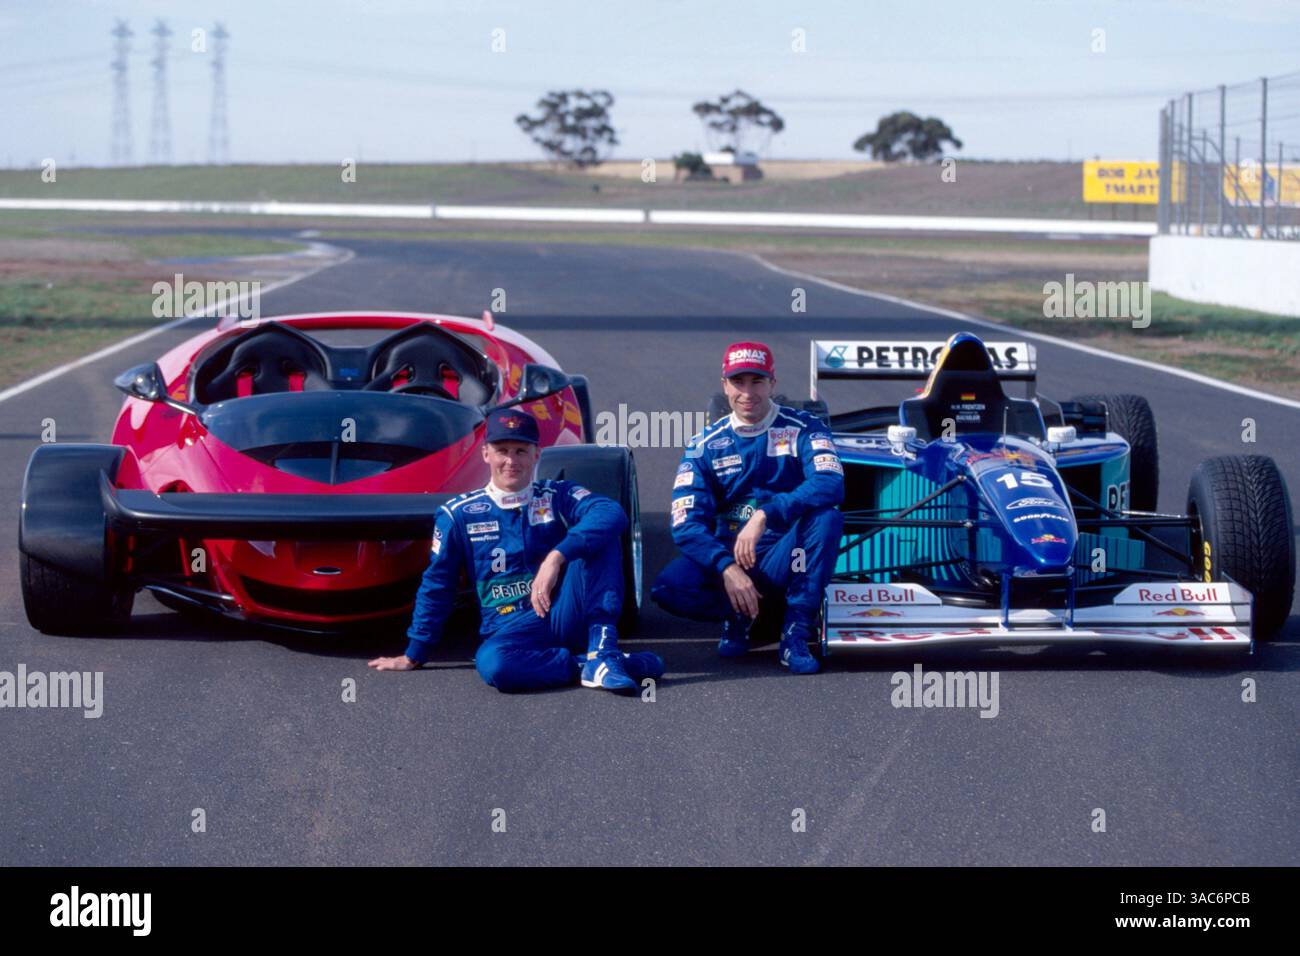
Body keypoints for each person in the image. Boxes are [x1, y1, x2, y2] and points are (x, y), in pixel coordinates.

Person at [368, 409, 663, 694]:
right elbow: (437, 585)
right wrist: (415, 652)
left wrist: (556, 557)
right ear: (486, 454)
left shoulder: (557, 494)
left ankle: (603, 649)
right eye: (502, 450)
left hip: (566, 612)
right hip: (510, 628)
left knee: (599, 533)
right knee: (495, 666)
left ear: (536, 454)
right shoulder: (458, 514)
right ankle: (587, 664)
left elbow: (611, 512)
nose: (511, 461)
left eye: (521, 451)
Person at [651, 341, 844, 674]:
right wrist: (727, 568)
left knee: (827, 517)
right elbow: (685, 524)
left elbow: (830, 482)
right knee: (668, 588)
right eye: (738, 382)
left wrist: (765, 513)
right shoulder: (704, 446)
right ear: (725, 384)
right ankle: (739, 615)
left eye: (757, 381)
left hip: (786, 553)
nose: (747, 392)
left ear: (772, 383)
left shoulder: (805, 428)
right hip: (730, 553)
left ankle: (796, 630)